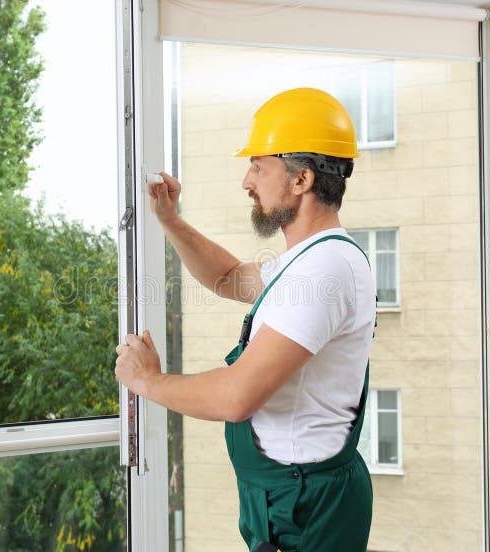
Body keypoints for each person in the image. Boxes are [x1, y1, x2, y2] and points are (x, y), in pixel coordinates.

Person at [115, 87, 376, 552]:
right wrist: (169, 219)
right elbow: (228, 277)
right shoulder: (308, 260)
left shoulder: (325, 270)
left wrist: (148, 381)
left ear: (301, 180)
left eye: (258, 165)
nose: (246, 181)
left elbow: (237, 396)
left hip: (306, 507)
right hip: (289, 497)